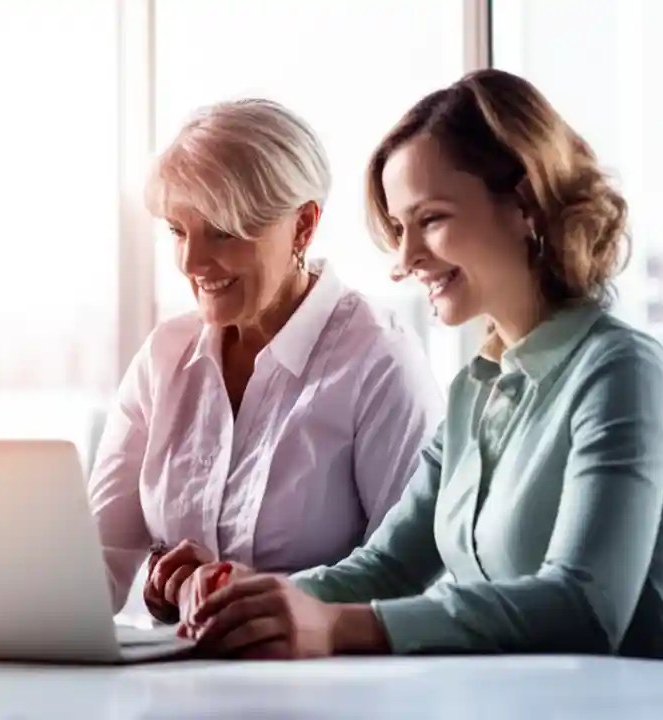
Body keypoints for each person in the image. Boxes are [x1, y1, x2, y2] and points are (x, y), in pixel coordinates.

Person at [179, 70, 663, 663]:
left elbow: (584, 608)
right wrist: (247, 600)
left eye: (431, 219)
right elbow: (386, 568)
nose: (405, 260)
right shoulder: (475, 393)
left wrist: (335, 627)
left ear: (525, 205)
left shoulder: (621, 371)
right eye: (399, 228)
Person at [88, 98, 443, 623]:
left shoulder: (379, 360)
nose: (192, 261)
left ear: (303, 226)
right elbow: (96, 568)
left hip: (323, 694)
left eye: (222, 231)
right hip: (177, 687)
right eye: (178, 231)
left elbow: (404, 584)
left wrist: (237, 595)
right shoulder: (164, 358)